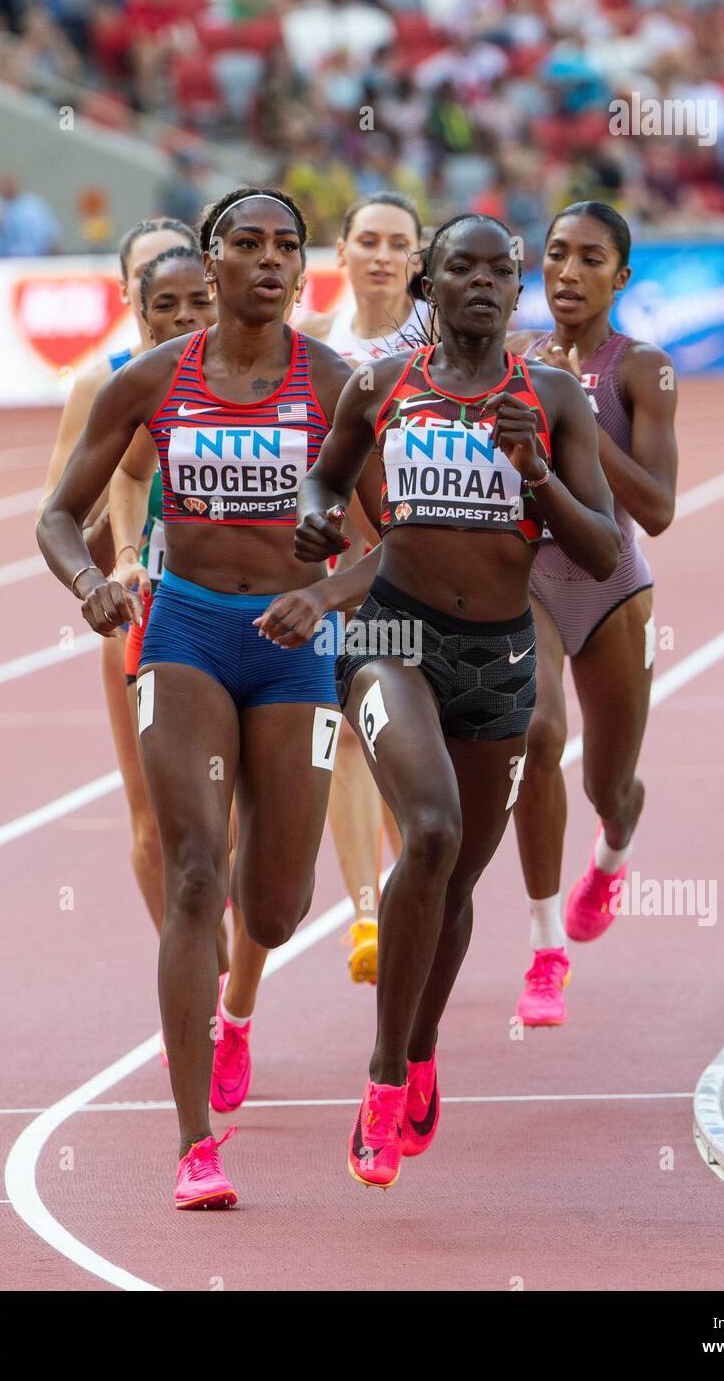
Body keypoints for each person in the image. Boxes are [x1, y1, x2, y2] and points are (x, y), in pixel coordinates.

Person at [262, 212, 620, 1189]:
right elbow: (323, 481)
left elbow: (602, 550)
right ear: (431, 282)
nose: (477, 284)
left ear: (515, 289)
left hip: (497, 654)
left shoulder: (552, 398)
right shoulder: (383, 385)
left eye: (496, 271)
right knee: (427, 830)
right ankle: (382, 1083)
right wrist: (314, 526)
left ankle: (420, 1052)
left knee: (454, 886)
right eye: (456, 267)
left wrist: (538, 472)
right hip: (389, 637)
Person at [37, 187, 355, 1210]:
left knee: (277, 902)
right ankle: (194, 1144)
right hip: (182, 633)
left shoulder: (338, 382)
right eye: (247, 243)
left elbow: (398, 537)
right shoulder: (148, 381)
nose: (268, 260)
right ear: (209, 260)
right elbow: (56, 514)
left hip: (290, 643)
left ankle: (240, 991)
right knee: (191, 877)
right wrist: (94, 587)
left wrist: (325, 590)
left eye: (286, 247)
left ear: (302, 269)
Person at [37, 218, 227, 1004]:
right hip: (138, 611)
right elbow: (63, 517)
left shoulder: (246, 372)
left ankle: (234, 973)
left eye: (192, 292)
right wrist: (118, 548)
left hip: (232, 606)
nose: (177, 310)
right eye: (155, 283)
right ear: (131, 296)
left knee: (233, 822)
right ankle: (198, 985)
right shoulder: (104, 384)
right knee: (153, 821)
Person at [505, 201, 678, 1027]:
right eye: (557, 254)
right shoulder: (510, 360)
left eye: (590, 259)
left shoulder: (643, 369)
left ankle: (611, 859)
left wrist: (572, 414)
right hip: (531, 580)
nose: (568, 272)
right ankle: (545, 951)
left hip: (612, 587)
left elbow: (657, 506)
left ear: (622, 276)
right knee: (538, 736)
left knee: (609, 782)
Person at [297, 190, 434, 982]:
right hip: (332, 570)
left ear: (415, 261)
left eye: (397, 244)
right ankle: (367, 916)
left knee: (402, 741)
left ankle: (412, 890)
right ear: (341, 254)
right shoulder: (310, 343)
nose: (382, 256)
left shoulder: (440, 346)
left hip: (412, 565)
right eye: (368, 241)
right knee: (348, 732)